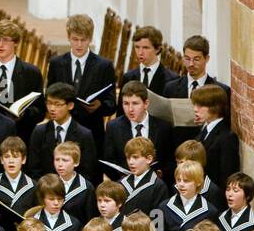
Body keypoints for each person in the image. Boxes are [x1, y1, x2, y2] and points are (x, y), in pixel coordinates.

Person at [46, 14, 117, 145]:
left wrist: (100, 106)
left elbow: (112, 104)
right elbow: (49, 95)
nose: (79, 44)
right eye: (75, 39)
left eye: (83, 40)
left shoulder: (104, 66)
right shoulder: (56, 63)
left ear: (90, 39)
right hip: (61, 133)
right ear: (68, 37)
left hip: (91, 133)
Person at [0, 20, 44, 138]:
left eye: (5, 40)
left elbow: (40, 111)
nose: (0, 45)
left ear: (16, 42)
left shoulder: (31, 73)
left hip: (19, 133)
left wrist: (24, 115)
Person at [103, 80, 175, 180]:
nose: (130, 109)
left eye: (135, 103)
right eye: (126, 103)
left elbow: (170, 160)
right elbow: (109, 161)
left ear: (146, 104)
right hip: (124, 185)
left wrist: (161, 173)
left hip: (155, 185)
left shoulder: (163, 127)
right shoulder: (113, 126)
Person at [29, 84, 100, 183]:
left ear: (70, 105)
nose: (52, 108)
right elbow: (33, 168)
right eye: (49, 103)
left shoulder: (84, 134)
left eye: (57, 104)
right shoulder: (39, 131)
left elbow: (87, 171)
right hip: (45, 189)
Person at [191, 84, 240, 189]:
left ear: (215, 107)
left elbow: (227, 176)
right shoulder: (205, 129)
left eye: (200, 105)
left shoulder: (227, 138)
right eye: (195, 104)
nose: (195, 109)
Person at [120, 25, 177, 96]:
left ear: (157, 49)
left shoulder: (172, 79)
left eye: (145, 48)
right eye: (137, 47)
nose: (140, 52)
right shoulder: (128, 77)